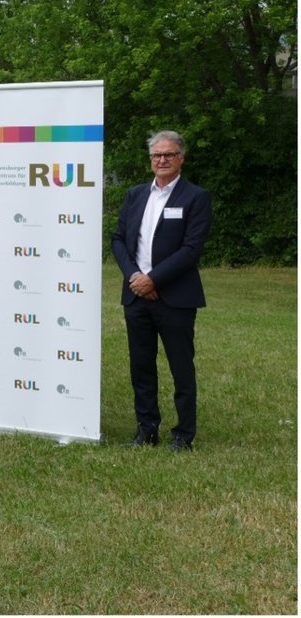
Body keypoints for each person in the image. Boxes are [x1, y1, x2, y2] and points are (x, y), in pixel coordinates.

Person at [111, 130, 212, 451]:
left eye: (169, 154)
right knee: (141, 365)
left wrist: (154, 280)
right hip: (136, 295)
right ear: (150, 159)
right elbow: (118, 239)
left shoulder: (195, 197)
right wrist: (136, 278)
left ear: (181, 158)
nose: (162, 160)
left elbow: (192, 248)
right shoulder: (136, 194)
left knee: (181, 367)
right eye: (157, 155)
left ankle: (183, 434)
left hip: (176, 298)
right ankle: (146, 430)